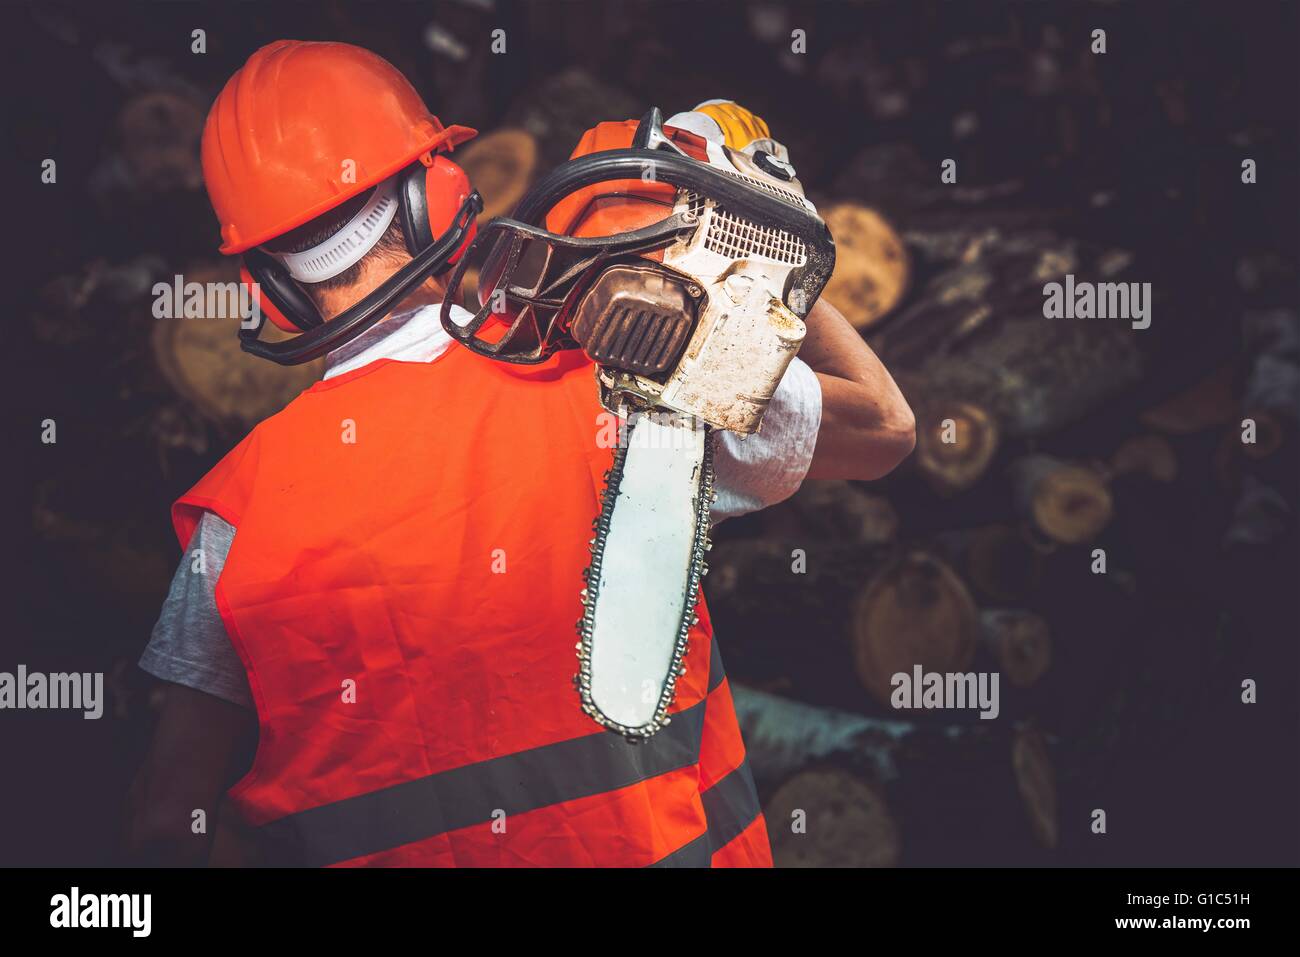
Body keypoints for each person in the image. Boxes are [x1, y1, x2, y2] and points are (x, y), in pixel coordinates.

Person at [127, 40, 915, 868]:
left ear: (266, 286)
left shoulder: (234, 520)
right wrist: (765, 241)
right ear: (441, 189)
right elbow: (888, 429)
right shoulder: (618, 375)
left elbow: (162, 823)